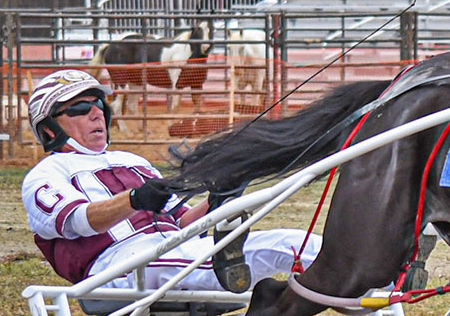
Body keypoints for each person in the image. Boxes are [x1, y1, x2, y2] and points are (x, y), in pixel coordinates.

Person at [21, 69, 319, 293]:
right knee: (211, 258)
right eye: (79, 108)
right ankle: (226, 267)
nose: (97, 113)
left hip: (171, 249)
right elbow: (80, 221)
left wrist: (217, 197)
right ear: (49, 129)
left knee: (288, 241)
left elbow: (182, 224)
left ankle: (355, 268)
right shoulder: (45, 175)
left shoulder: (134, 162)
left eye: (99, 104)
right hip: (117, 266)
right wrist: (135, 199)